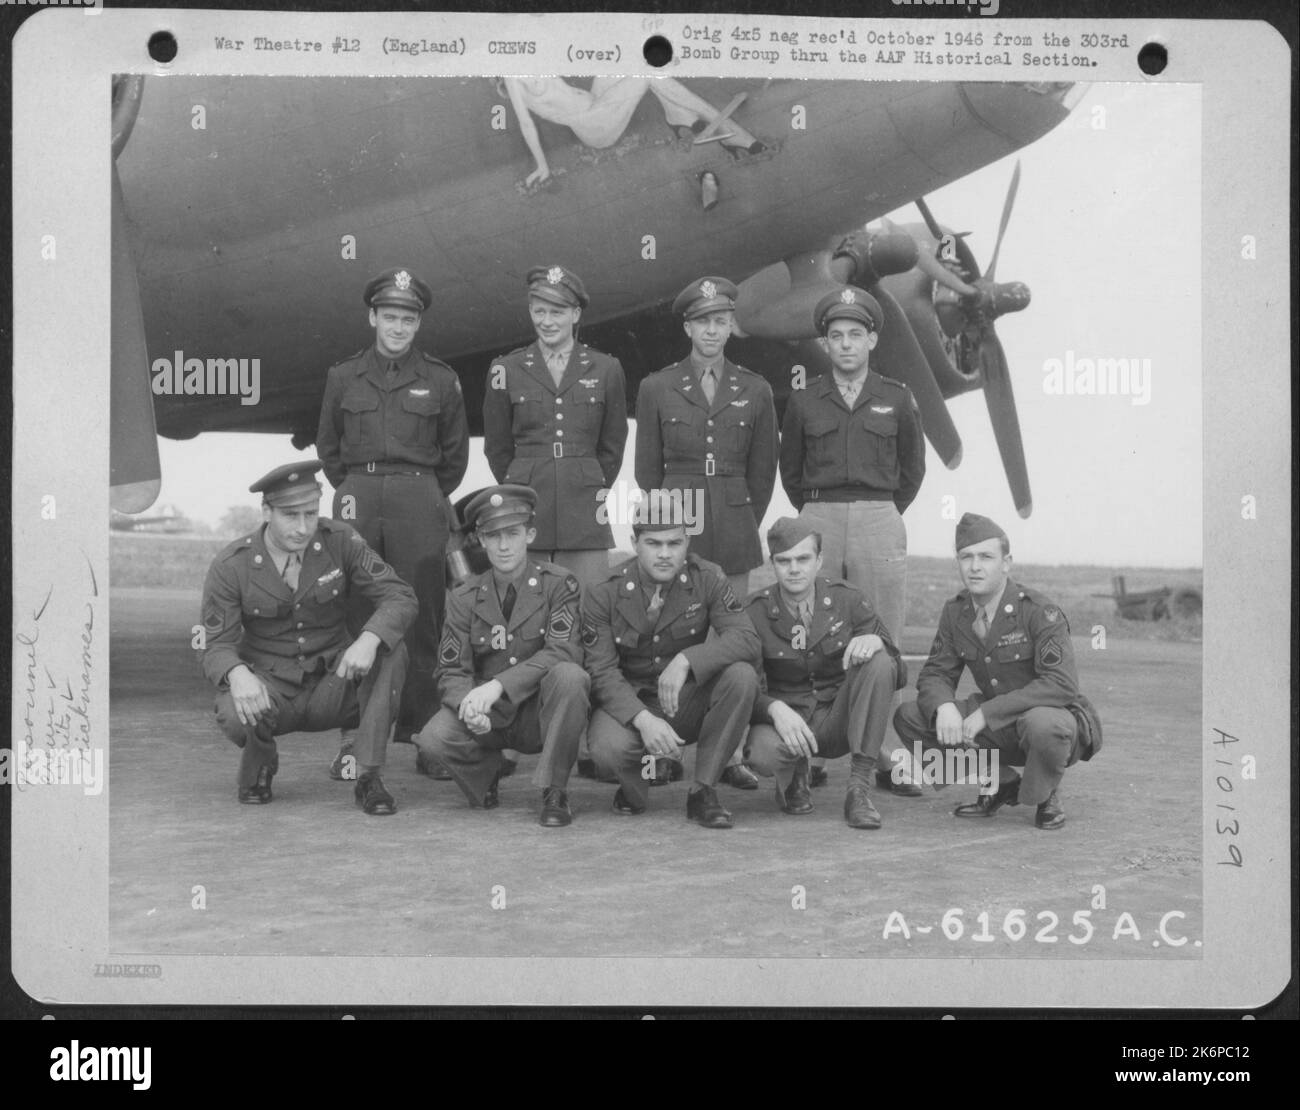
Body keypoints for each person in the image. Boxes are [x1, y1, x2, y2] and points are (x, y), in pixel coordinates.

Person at [200, 462, 416, 815]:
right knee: (233, 711)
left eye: (311, 514)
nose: (303, 528)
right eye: (290, 515)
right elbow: (214, 644)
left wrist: (369, 639)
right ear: (266, 511)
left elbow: (400, 596)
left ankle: (368, 776)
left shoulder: (340, 541)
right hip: (272, 689)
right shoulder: (231, 565)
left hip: (335, 682)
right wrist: (237, 673)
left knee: (392, 651)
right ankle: (262, 762)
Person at [316, 267, 469, 762]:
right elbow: (328, 447)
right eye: (389, 318)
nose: (398, 328)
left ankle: (427, 736)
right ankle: (355, 739)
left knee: (424, 617)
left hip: (419, 496)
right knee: (357, 617)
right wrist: (358, 488)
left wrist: (420, 494)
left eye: (407, 319)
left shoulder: (441, 380)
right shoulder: (343, 376)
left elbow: (454, 457)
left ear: (418, 323)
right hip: (358, 493)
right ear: (372, 317)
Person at [779, 286, 926, 794]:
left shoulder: (897, 397)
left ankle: (884, 752)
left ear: (872, 340)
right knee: (813, 631)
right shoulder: (803, 400)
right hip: (817, 513)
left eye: (855, 335)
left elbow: (912, 469)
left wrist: (878, 510)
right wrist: (818, 513)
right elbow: (791, 473)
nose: (845, 345)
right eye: (836, 336)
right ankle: (813, 748)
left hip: (878, 514)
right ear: (825, 344)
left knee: (882, 635)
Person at [635, 276, 777, 791]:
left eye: (721, 321)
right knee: (670, 637)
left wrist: (741, 517)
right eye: (703, 322)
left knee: (732, 645)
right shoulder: (656, 386)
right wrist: (669, 527)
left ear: (730, 325)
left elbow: (762, 475)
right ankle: (666, 749)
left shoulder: (756, 389)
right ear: (688, 326)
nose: (712, 331)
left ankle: (732, 753)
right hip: (679, 527)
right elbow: (648, 474)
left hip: (735, 525)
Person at [892, 513, 1103, 830]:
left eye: (986, 557)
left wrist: (986, 714)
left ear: (1006, 563)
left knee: (1042, 723)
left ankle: (1046, 794)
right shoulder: (956, 612)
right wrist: (943, 707)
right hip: (999, 726)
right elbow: (935, 674)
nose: (975, 566)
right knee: (910, 717)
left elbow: (1061, 685)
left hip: (1054, 722)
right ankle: (1000, 782)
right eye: (966, 557)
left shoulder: (1038, 611)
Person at [416, 485, 589, 827]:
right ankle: (485, 774)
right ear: (479, 539)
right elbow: (451, 669)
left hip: (538, 714)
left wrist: (497, 686)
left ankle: (555, 790)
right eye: (493, 535)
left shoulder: (559, 584)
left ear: (530, 534)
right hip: (490, 717)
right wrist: (468, 704)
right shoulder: (464, 596)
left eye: (513, 533)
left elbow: (562, 650)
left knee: (571, 677)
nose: (504, 545)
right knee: (433, 739)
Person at [583, 505, 762, 829]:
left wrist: (687, 661)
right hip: (630, 703)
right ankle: (633, 790)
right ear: (635, 542)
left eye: (674, 543)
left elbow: (747, 639)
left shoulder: (707, 578)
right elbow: (601, 672)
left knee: (741, 677)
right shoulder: (604, 592)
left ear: (687, 542)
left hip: (684, 701)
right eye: (654, 544)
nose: (665, 554)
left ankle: (704, 790)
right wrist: (643, 719)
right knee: (608, 748)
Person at [744, 518, 907, 829]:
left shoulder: (849, 599)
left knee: (879, 660)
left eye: (803, 559)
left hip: (839, 719)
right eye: (784, 561)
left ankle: (859, 788)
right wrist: (773, 709)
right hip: (789, 725)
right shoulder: (754, 612)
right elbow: (742, 687)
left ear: (819, 561)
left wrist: (878, 642)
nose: (794, 569)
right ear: (772, 564)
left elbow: (898, 673)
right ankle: (794, 776)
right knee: (762, 752)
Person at [482, 264, 627, 592]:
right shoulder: (505, 369)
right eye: (539, 311)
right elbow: (497, 447)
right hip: (528, 506)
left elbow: (613, 445)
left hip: (585, 510)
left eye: (557, 312)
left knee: (589, 607)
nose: (547, 321)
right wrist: (520, 487)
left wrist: (588, 481)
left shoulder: (606, 369)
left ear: (576, 314)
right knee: (527, 613)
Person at [500, 76, 764, 188]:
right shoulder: (513, 78)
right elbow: (526, 124)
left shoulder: (524, 43)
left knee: (639, 59)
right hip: (597, 125)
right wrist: (542, 166)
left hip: (595, 99)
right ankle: (732, 134)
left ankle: (678, 116)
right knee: (647, 74)